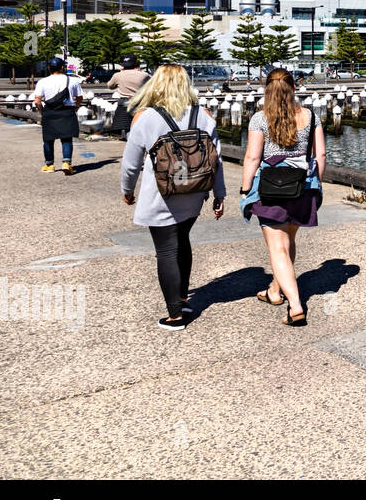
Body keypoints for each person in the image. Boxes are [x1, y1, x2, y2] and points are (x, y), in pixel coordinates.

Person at [120, 64, 226, 330]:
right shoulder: (204, 115)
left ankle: (175, 314)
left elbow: (131, 163)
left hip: (162, 193)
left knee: (166, 250)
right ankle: (181, 297)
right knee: (182, 241)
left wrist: (127, 190)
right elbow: (217, 161)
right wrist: (219, 194)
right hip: (194, 191)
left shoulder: (145, 117)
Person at [240, 68, 325, 327]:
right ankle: (274, 291)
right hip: (302, 188)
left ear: (267, 89)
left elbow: (253, 158)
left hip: (271, 189)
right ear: (294, 87)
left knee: (278, 248)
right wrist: (315, 184)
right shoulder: (310, 117)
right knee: (287, 242)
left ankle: (296, 306)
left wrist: (245, 189)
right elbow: (319, 156)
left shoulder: (259, 119)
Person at [33, 58, 84, 174]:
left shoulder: (42, 82)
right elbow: (80, 97)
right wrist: (76, 106)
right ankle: (66, 163)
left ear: (49, 68)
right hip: (67, 112)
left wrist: (42, 112)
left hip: (50, 112)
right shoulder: (73, 81)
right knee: (66, 138)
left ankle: (49, 165)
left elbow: (37, 101)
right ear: (62, 67)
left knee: (48, 139)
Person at [107, 54, 148, 134]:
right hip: (139, 103)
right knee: (141, 127)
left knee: (127, 129)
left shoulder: (117, 75)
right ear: (136, 64)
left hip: (124, 104)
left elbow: (110, 86)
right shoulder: (144, 75)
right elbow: (152, 85)